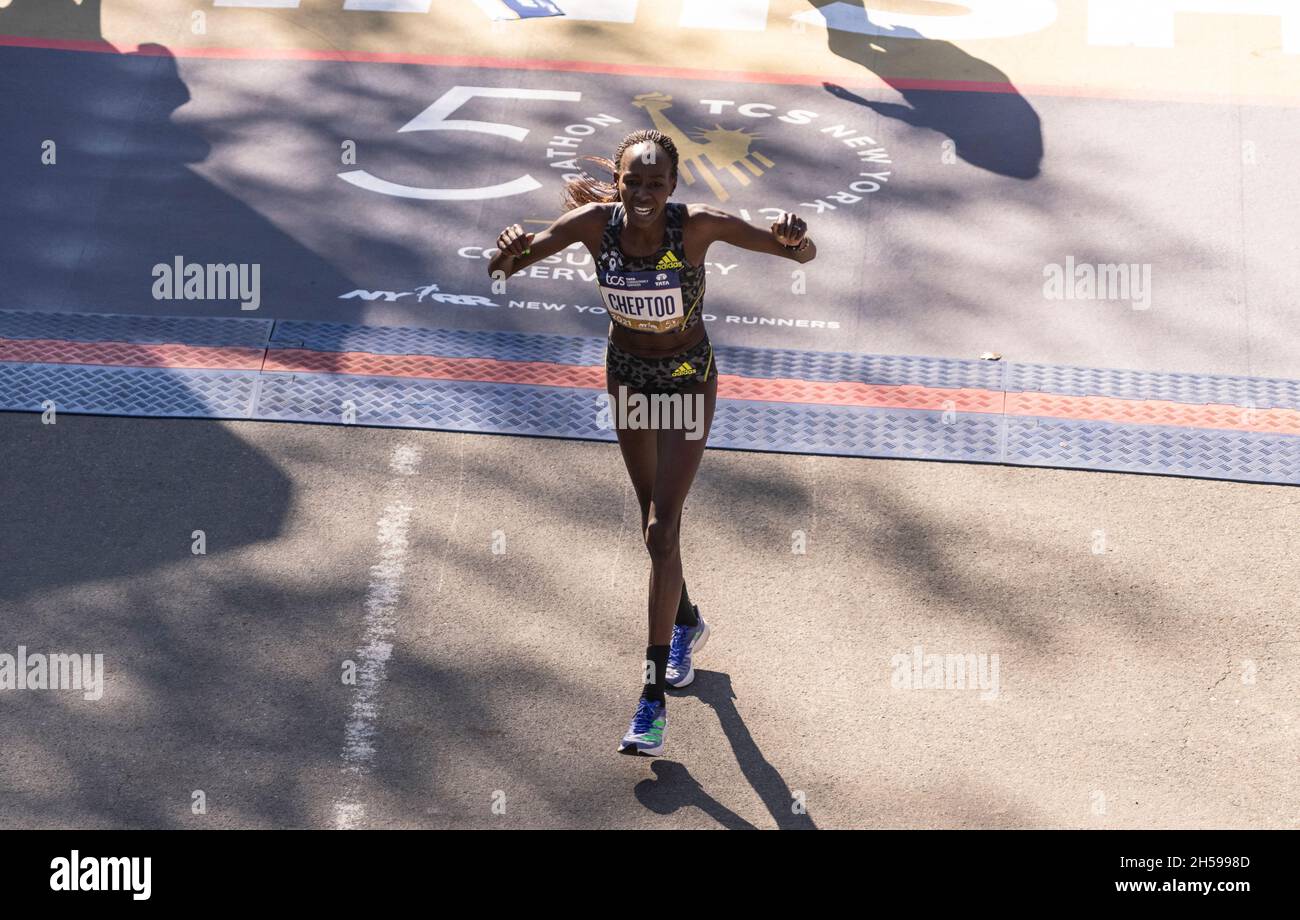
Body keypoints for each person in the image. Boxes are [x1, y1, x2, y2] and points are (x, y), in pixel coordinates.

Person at [488, 128, 815, 755]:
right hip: (630, 377)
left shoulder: (697, 227)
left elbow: (799, 255)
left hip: (689, 380)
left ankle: (650, 699)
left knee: (663, 531)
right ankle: (687, 621)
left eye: (656, 182)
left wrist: (796, 238)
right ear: (617, 182)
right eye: (633, 181)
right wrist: (506, 249)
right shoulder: (592, 225)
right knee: (651, 525)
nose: (643, 192)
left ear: (673, 187)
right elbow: (503, 269)